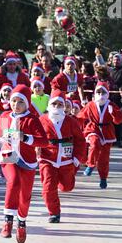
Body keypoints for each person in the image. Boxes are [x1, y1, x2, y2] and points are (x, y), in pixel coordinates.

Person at [0, 85, 48, 243]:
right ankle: (7, 220)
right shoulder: (5, 116)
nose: (16, 105)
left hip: (27, 161)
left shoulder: (32, 120)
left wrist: (26, 138)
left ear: (27, 103)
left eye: (20, 102)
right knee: (13, 181)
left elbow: (44, 141)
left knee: (24, 196)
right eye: (13, 101)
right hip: (9, 156)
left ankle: (21, 222)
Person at [38, 90, 87, 223]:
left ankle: (60, 182)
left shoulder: (70, 121)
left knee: (67, 187)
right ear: (49, 105)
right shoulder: (42, 120)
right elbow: (36, 138)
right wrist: (36, 152)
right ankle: (54, 213)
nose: (57, 107)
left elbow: (80, 141)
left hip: (66, 159)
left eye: (60, 104)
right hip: (47, 159)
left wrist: (77, 158)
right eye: (54, 103)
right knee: (48, 188)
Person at [78, 81, 122, 189]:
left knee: (104, 158)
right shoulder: (90, 105)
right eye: (98, 92)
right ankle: (90, 165)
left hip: (107, 131)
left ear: (107, 94)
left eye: (102, 92)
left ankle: (103, 177)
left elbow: (120, 119)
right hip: (93, 128)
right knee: (94, 143)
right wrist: (75, 127)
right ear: (95, 93)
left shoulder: (111, 105)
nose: (100, 95)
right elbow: (80, 116)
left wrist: (113, 113)